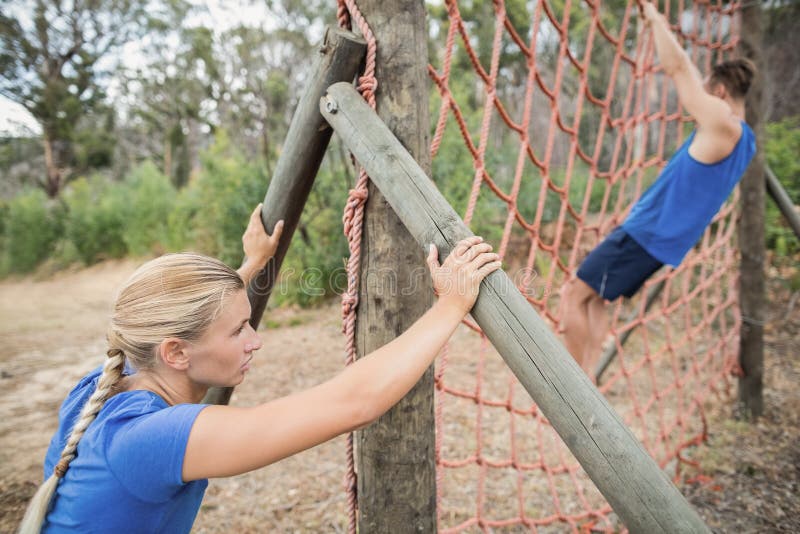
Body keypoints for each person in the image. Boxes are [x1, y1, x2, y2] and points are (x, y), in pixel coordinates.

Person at [19, 202, 502, 534]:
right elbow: (355, 402)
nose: (256, 341)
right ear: (176, 353)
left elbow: (187, 317)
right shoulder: (151, 438)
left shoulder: (106, 379)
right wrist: (451, 304)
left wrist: (248, 267)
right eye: (238, 332)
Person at [561, 1, 756, 371]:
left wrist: (654, 17)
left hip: (648, 236)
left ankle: (572, 393)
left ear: (719, 92)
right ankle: (588, 385)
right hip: (654, 236)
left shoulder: (722, 122)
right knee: (596, 299)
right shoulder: (746, 140)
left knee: (573, 295)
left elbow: (680, 68)